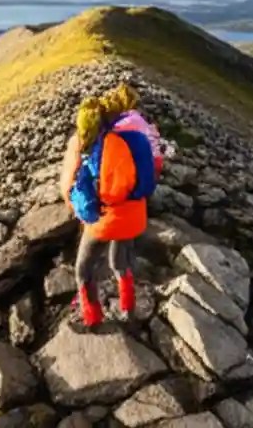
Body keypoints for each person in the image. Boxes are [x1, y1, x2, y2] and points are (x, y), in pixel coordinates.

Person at [58, 83, 162, 327]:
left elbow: (69, 185)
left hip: (104, 221)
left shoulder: (86, 145)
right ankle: (128, 309)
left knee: (83, 271)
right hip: (134, 216)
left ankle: (92, 319)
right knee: (119, 263)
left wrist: (76, 207)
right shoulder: (136, 137)